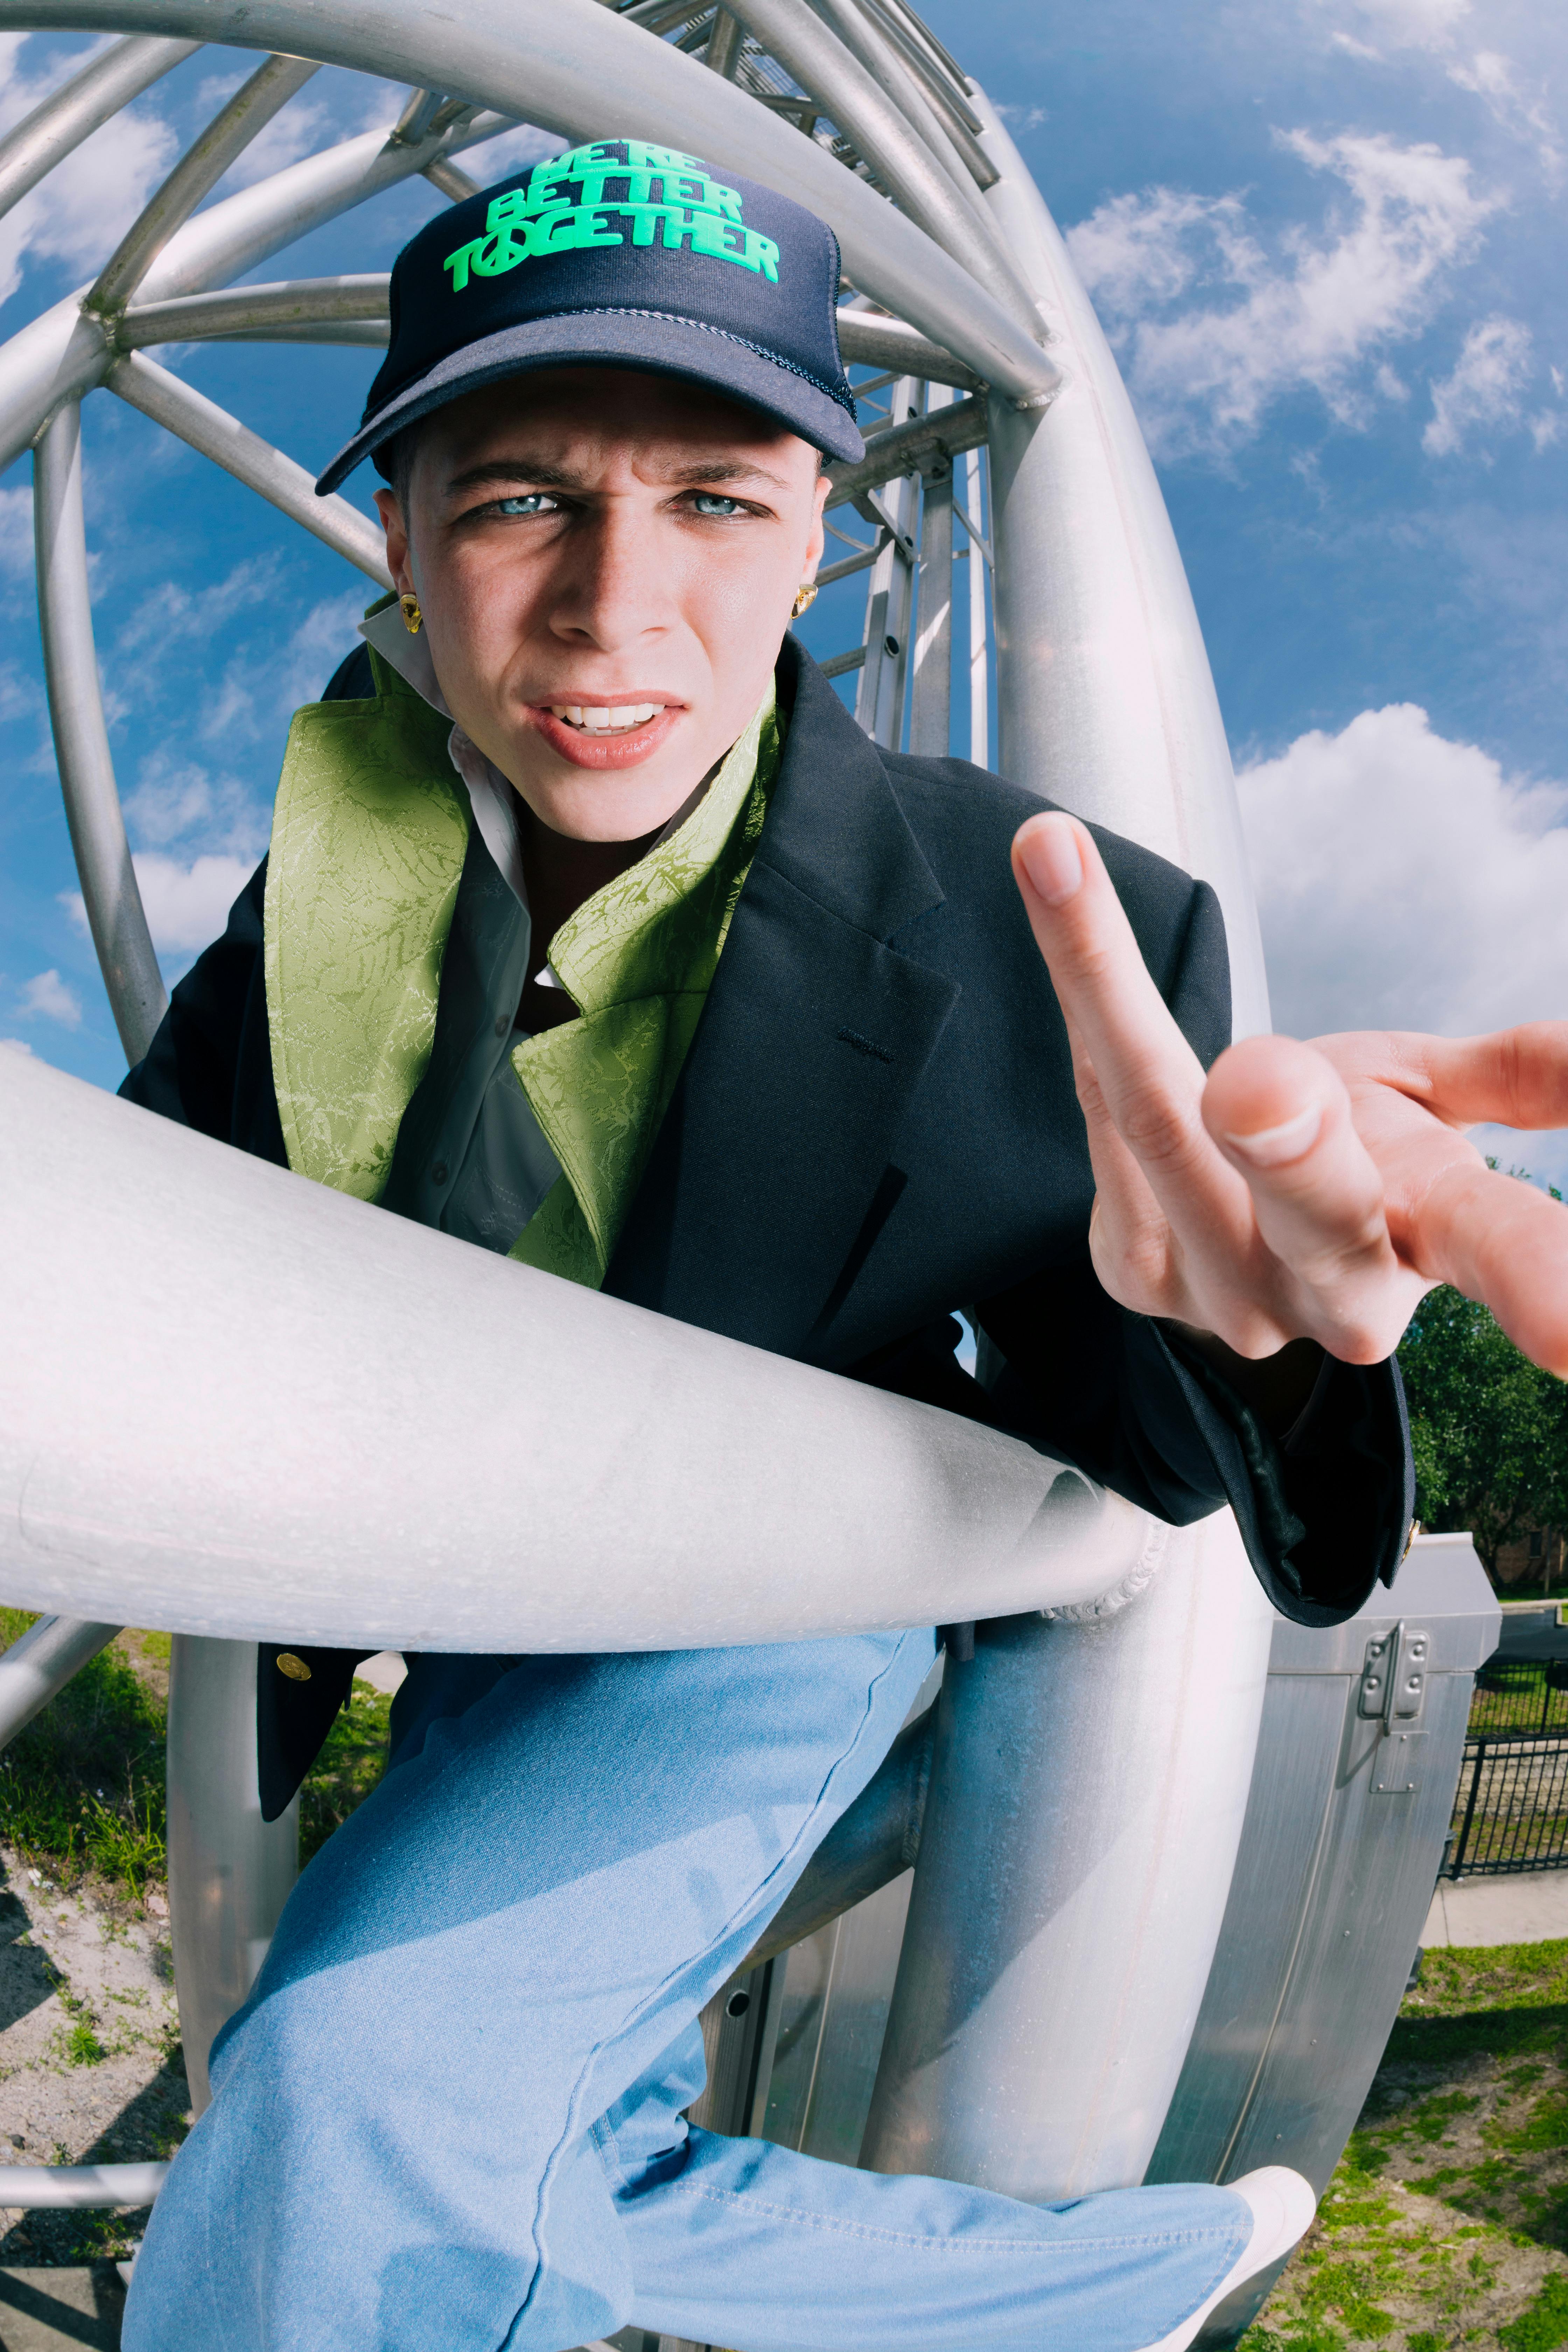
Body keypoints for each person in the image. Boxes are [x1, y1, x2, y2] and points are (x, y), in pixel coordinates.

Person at [118, 141, 1566, 2351]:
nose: (616, 611)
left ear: (821, 522)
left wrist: (1280, 1342)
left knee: (338, 2103)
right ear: (395, 536)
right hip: (448, 1644)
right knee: (471, 2138)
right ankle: (1122, 2279)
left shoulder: (1054, 917)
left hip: (754, 1629)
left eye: (711, 498)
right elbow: (146, 1274)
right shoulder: (312, 908)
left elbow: (1172, 1440)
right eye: (519, 499)